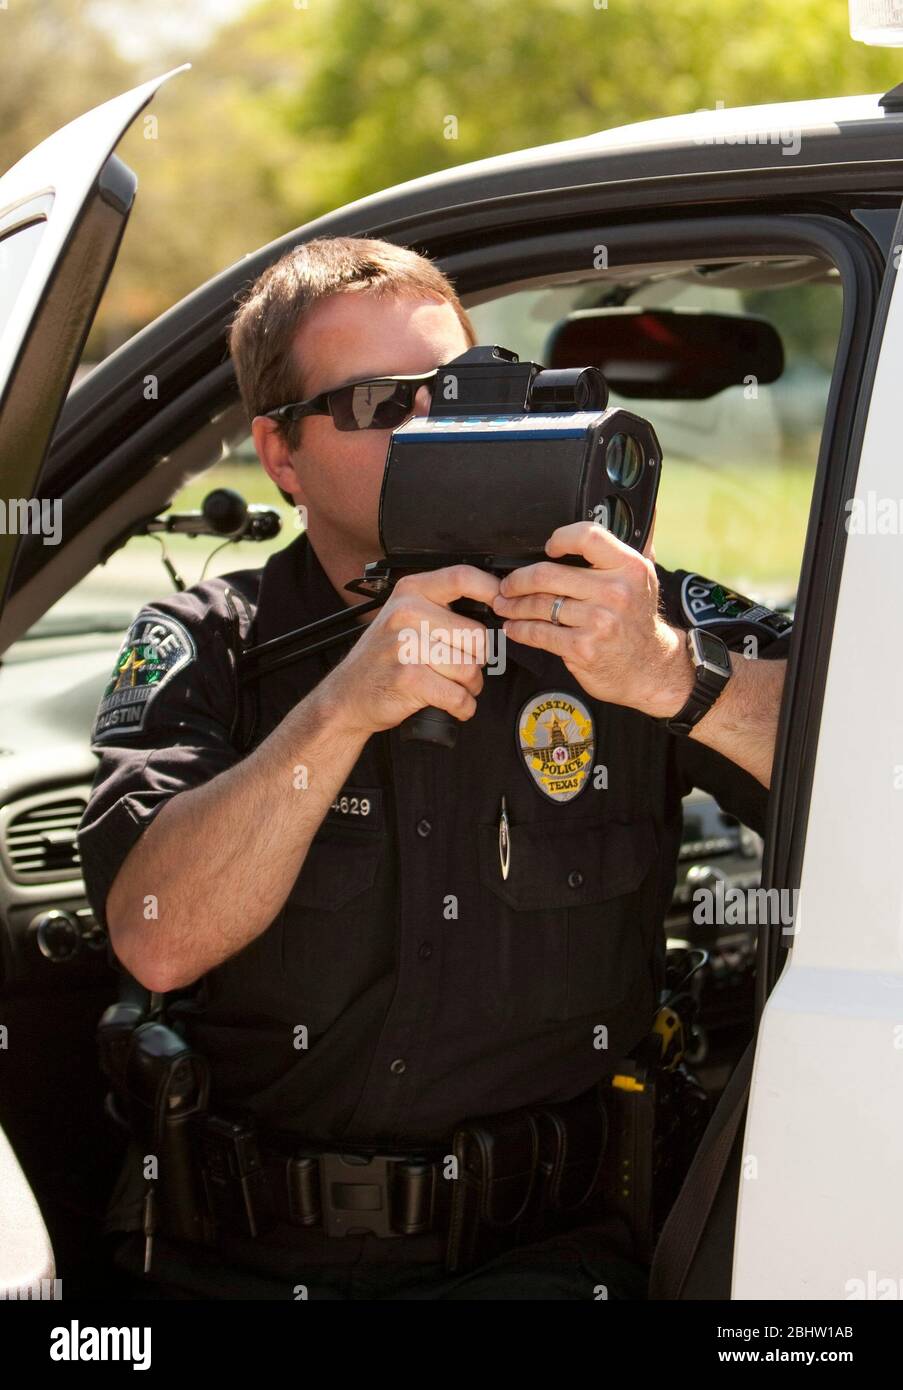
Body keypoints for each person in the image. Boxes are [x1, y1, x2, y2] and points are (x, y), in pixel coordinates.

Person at [78, 235, 790, 1300]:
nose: (429, 426)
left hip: (549, 1257)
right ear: (281, 454)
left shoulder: (622, 608)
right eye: (378, 403)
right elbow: (157, 939)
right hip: (246, 1259)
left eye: (456, 391)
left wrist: (670, 676)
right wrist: (339, 711)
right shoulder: (216, 641)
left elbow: (870, 765)